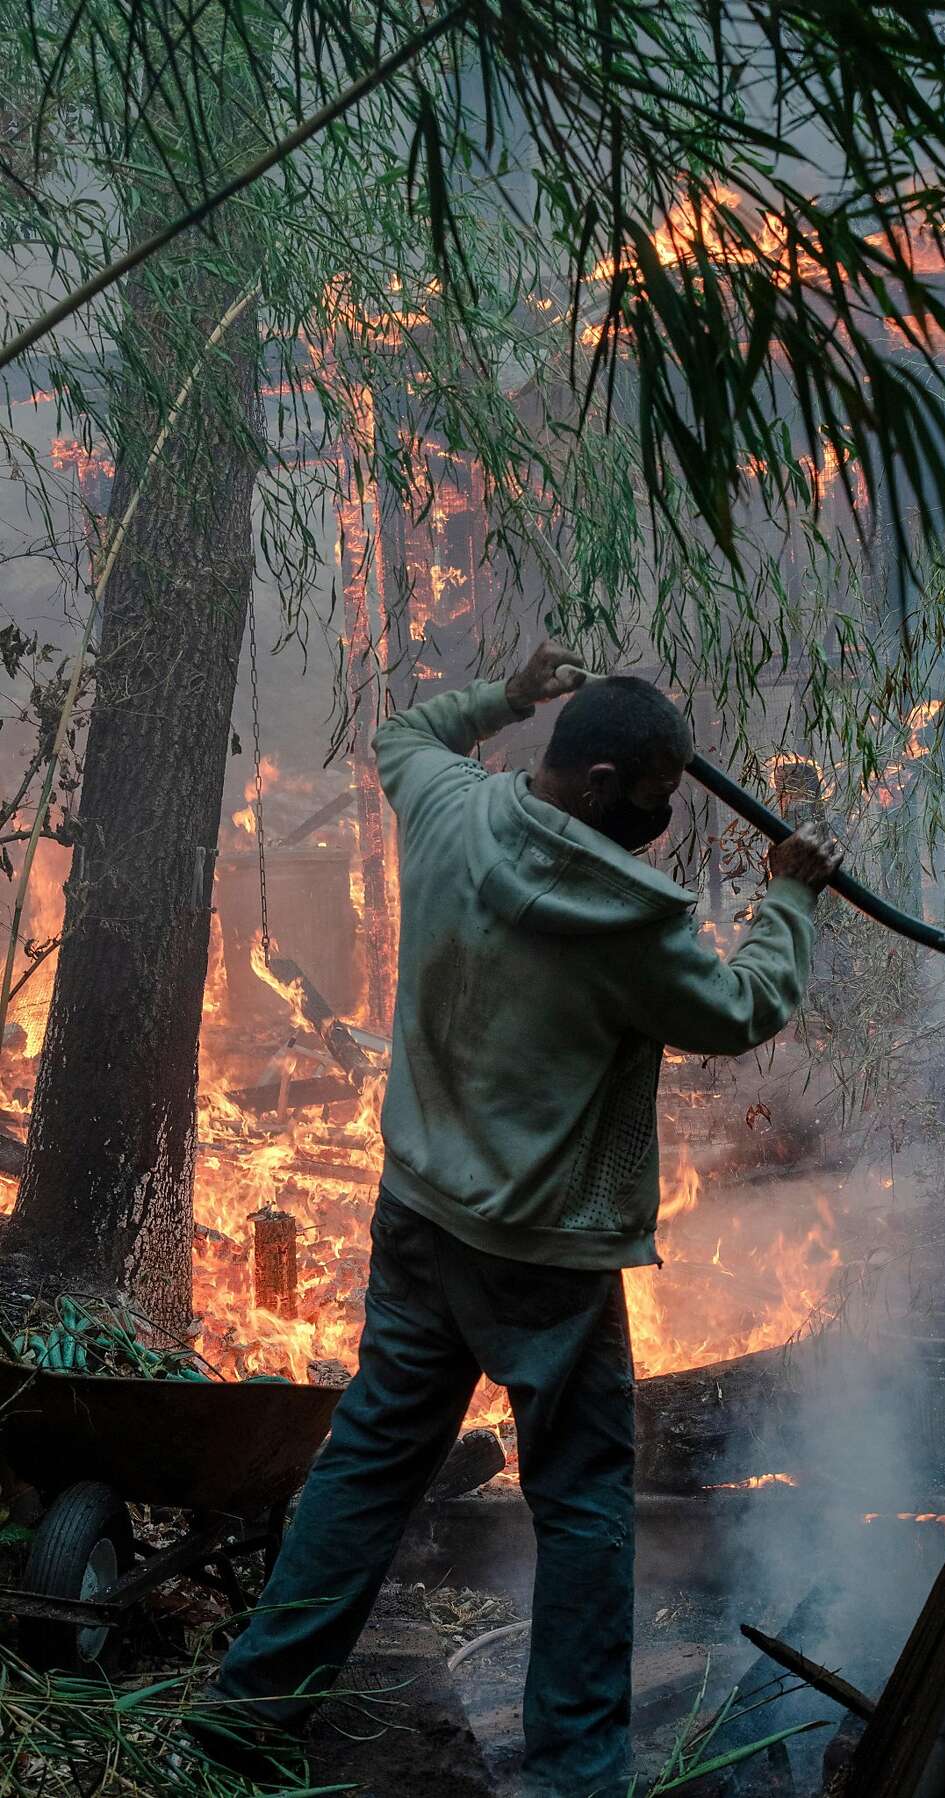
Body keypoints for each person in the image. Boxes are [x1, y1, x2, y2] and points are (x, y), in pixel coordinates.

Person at [196, 642, 843, 1794]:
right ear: (601, 786)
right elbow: (744, 1007)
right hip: (545, 1257)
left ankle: (247, 1714)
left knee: (369, 1467)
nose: (660, 823)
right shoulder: (629, 920)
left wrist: (505, 692)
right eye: (652, 800)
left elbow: (403, 734)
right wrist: (788, 895)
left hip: (421, 1215)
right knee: (585, 1505)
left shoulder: (447, 810)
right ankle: (577, 1776)